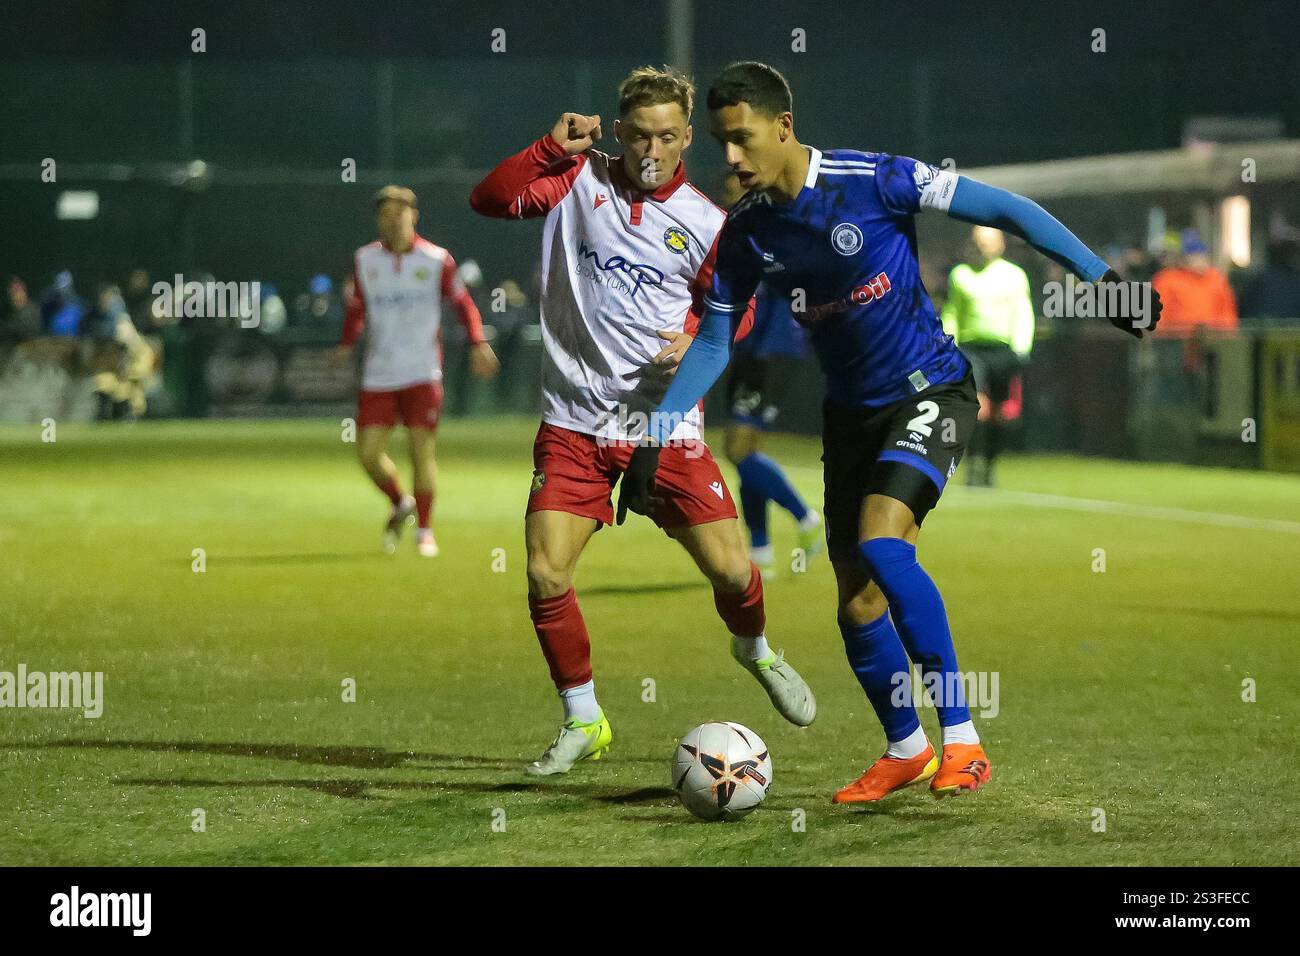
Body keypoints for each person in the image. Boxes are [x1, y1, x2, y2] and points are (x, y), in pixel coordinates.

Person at [619, 61, 1160, 803]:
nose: (732, 158)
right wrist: (654, 437)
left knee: (880, 540)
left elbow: (1008, 210)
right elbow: (714, 342)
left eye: (741, 139)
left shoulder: (876, 178)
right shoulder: (746, 234)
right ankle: (906, 747)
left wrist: (1104, 281)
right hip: (850, 417)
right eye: (721, 143)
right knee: (857, 599)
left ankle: (963, 740)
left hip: (929, 388)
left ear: (783, 127)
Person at [470, 65, 817, 776]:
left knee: (730, 571)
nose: (651, 150)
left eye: (667, 136)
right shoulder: (577, 179)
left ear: (687, 136)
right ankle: (585, 718)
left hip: (665, 428)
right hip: (573, 425)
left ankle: (754, 649)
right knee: (544, 573)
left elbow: (738, 307)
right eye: (638, 136)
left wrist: (697, 337)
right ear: (618, 132)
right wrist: (548, 148)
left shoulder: (706, 221)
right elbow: (489, 199)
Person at [338, 185, 500, 557]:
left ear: (415, 215)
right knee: (367, 453)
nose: (392, 219)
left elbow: (463, 303)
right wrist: (346, 344)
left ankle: (425, 530)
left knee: (421, 453)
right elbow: (356, 307)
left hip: (422, 371)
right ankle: (401, 502)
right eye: (385, 213)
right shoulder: (365, 259)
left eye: (400, 211)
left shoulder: (436, 259)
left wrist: (477, 341)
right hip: (378, 372)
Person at [716, 171, 823, 578]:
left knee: (739, 449)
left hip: (772, 353)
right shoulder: (741, 231)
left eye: (735, 189)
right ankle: (760, 549)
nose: (729, 197)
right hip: (751, 353)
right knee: (747, 452)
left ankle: (806, 518)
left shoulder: (770, 231)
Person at [940, 225, 1035, 486]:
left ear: (1000, 244)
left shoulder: (1014, 276)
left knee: (1000, 413)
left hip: (1003, 351)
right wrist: (950, 344)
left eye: (989, 241)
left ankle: (990, 467)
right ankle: (973, 466)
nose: (983, 246)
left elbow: (1023, 311)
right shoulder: (960, 275)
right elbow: (953, 312)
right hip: (971, 349)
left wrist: (1021, 347)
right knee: (977, 407)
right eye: (979, 241)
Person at [1151, 230, 1238, 333]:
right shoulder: (1167, 280)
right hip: (1176, 341)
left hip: (1211, 340)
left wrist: (1225, 335)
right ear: (1183, 259)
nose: (1201, 260)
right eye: (1195, 256)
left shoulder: (1216, 279)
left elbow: (1227, 312)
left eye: (1203, 255)